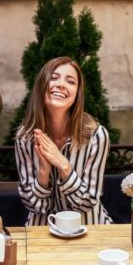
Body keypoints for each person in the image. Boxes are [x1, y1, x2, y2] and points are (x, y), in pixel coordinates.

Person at [15, 56, 112, 226]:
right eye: (53, 78)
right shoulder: (25, 137)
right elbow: (33, 205)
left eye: (71, 81)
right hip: (43, 230)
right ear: (41, 86)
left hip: (90, 229)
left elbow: (88, 203)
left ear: (77, 94)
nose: (61, 84)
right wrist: (44, 172)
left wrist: (63, 165)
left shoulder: (96, 136)